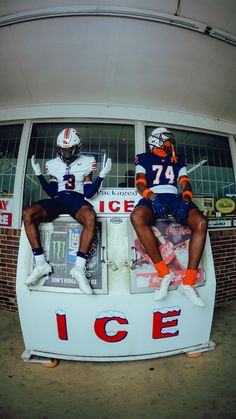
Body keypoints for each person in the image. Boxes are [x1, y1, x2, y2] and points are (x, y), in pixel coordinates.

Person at [23, 128, 112, 294]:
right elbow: (52, 192)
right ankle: (41, 263)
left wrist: (101, 176)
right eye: (63, 149)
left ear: (77, 147)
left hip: (77, 200)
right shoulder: (53, 164)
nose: (66, 152)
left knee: (91, 217)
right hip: (59, 200)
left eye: (69, 149)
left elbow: (88, 193)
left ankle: (78, 268)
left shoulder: (87, 161)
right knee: (28, 213)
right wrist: (39, 175)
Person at [130, 127, 207, 306]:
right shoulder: (144, 158)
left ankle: (188, 282)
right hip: (153, 196)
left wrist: (187, 201)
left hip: (174, 197)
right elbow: (140, 184)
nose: (170, 143)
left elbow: (185, 183)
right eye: (167, 139)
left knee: (201, 222)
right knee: (137, 217)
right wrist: (153, 197)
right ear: (156, 140)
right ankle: (164, 272)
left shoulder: (177, 159)